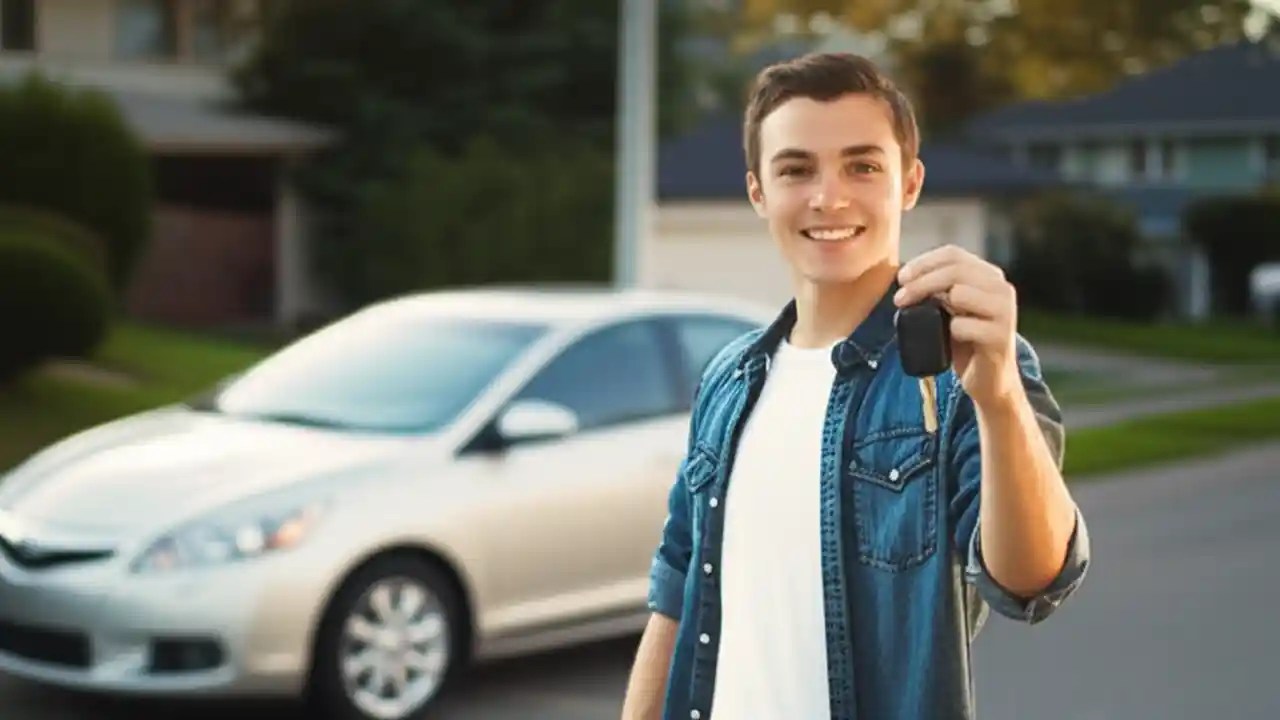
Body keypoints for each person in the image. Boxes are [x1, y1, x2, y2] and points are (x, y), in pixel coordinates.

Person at [619, 52, 1090, 720]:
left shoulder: (968, 369)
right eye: (796, 169)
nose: (829, 196)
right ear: (759, 191)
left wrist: (1000, 397)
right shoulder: (727, 380)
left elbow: (1034, 580)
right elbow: (676, 595)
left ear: (909, 183)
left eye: (862, 165)